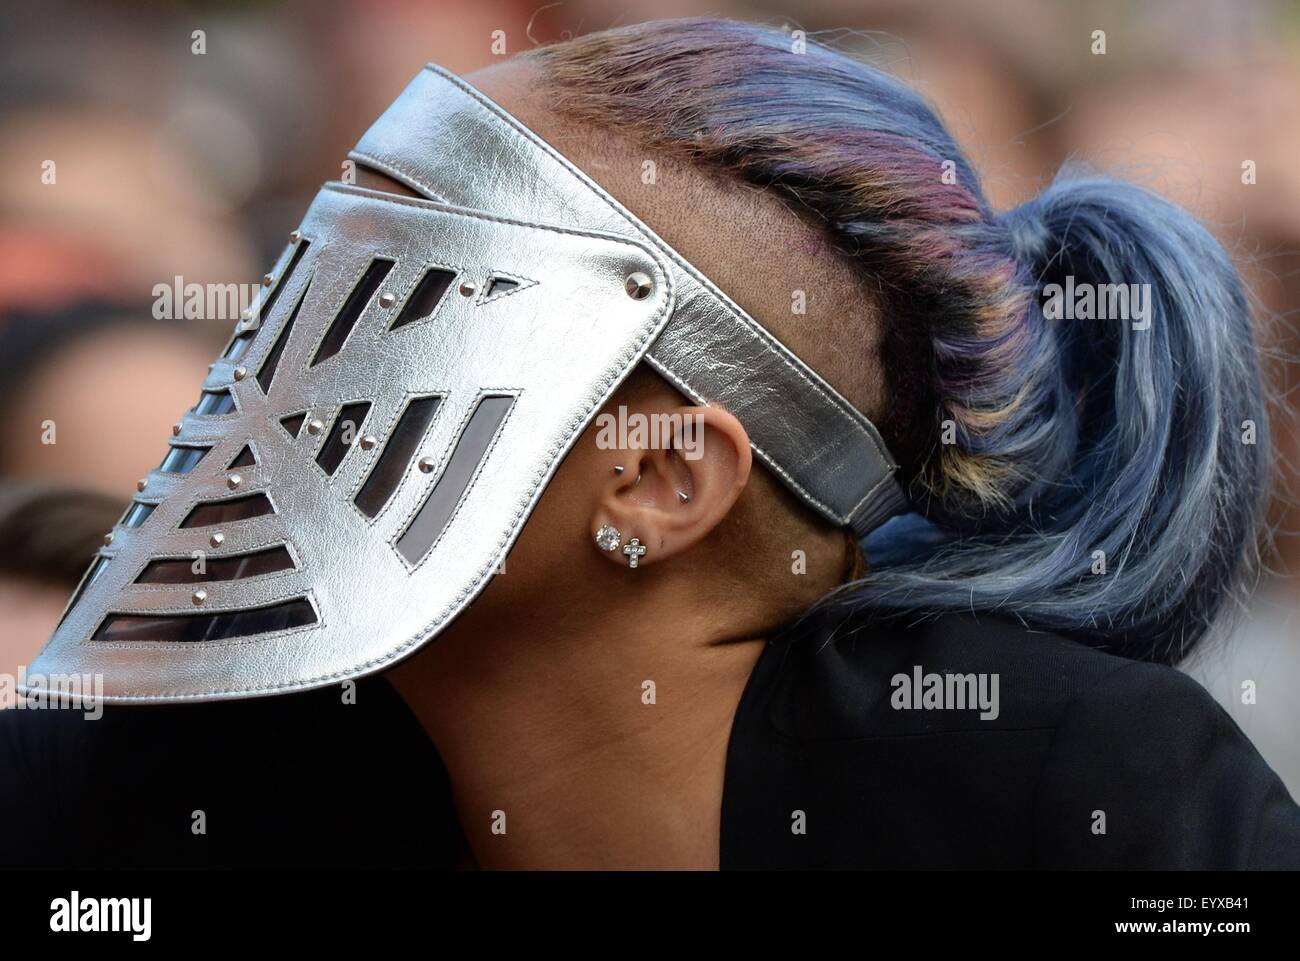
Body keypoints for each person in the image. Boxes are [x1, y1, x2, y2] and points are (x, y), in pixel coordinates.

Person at [3, 18, 1297, 870]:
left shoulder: (1081, 801)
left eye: (397, 306)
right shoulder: (145, 787)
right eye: (303, 279)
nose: (274, 369)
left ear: (661, 478)